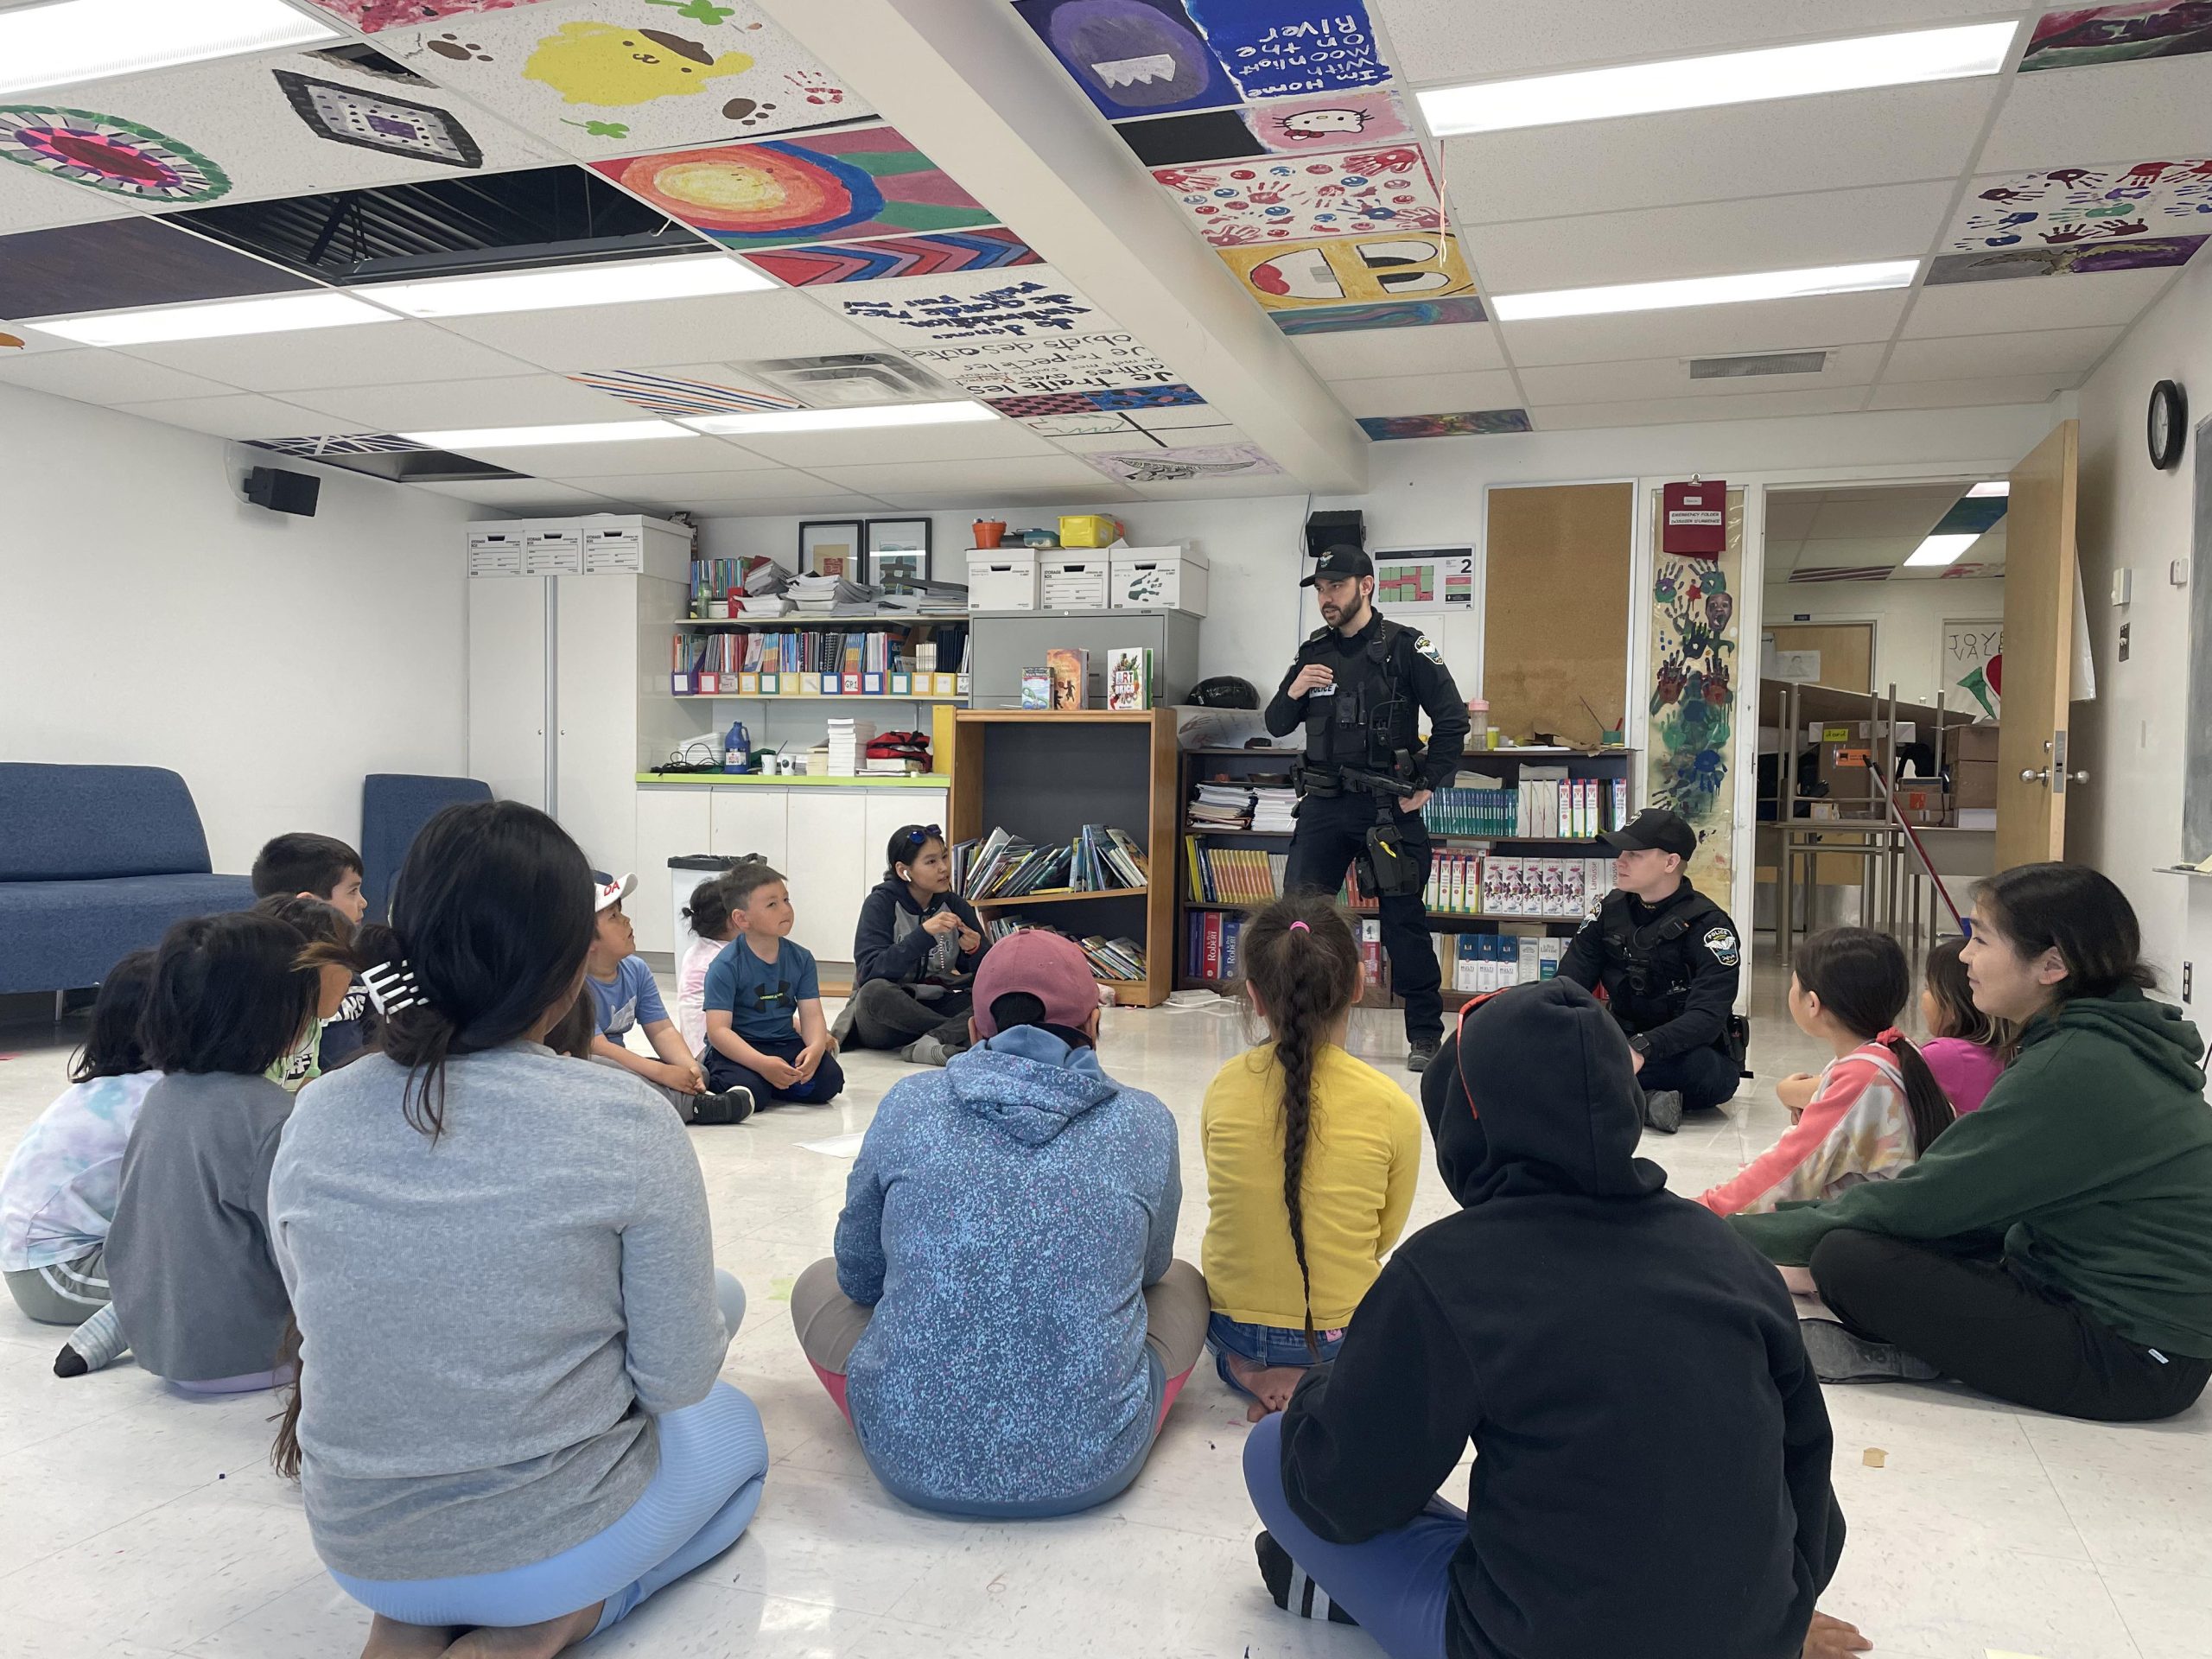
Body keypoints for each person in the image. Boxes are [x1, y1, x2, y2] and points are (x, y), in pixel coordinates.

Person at [268, 800, 766, 1658]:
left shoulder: (315, 1112)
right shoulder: (626, 1118)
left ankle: (412, 1619)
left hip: (359, 1546)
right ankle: (552, 1623)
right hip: (549, 1546)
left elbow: (328, 1310)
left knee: (709, 1302)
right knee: (735, 1431)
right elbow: (675, 1382)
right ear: (575, 966)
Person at [1243, 979, 1851, 1659]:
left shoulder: (1449, 1271)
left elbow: (1342, 1490)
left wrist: (1323, 1388)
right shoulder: (1731, 1256)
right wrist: (1779, 1610)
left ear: (1463, 1122)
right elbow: (1810, 1480)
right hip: (1754, 1634)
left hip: (1534, 1641)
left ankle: (1334, 1594)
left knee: (1274, 1454)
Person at [1731, 863, 2212, 1421]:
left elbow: (1921, 1201)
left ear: (2052, 964)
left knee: (1850, 1256)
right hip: (2083, 1296)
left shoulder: (2075, 1066)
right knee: (1872, 1231)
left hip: (2135, 1360)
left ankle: (1921, 1352)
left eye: (1980, 938)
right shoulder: (2089, 1043)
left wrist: (1719, 1237)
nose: (1963, 956)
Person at [789, 929, 1206, 1516]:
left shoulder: (908, 1104)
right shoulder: (1146, 1120)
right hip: (1092, 1465)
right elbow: (1153, 1269)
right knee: (1185, 1282)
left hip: (908, 1460)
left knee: (816, 1281)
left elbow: (857, 1277)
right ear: (1094, 1026)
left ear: (976, 1030)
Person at [54, 910, 315, 1388]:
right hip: (252, 1354)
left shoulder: (161, 1096)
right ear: (278, 1014)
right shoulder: (275, 1117)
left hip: (160, 1345)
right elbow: (303, 1261)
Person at [1202, 896, 1421, 1421]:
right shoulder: (1391, 1104)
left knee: (1184, 1283)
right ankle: (1320, 1377)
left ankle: (1249, 1370)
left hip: (1238, 1331)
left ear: (1253, 996)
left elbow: (1226, 1196)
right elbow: (1383, 1231)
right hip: (1342, 1335)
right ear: (1358, 984)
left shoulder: (1225, 1085)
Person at [1268, 543, 1469, 1073]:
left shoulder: (1406, 646)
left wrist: (1428, 783)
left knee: (1405, 924)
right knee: (1299, 924)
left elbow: (1452, 722)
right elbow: (1276, 723)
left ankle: (1425, 1034)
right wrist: (1295, 687)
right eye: (1320, 589)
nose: (1326, 598)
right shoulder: (1313, 650)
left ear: (1366, 585)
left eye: (1336, 586)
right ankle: (1296, 1030)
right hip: (1324, 806)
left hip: (1386, 806)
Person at [1699, 927, 1955, 1218]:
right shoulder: (1895, 1050)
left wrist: (1707, 1207)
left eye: (1795, 984)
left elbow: (1790, 1166)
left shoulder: (1862, 1076)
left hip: (1874, 1232)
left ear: (1812, 1003)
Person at [1556, 806, 1742, 1134]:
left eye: (1634, 854)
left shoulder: (1709, 926)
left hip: (1680, 1051)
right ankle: (1646, 1101)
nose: (1620, 861)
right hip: (1618, 1038)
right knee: (1552, 1044)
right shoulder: (1608, 912)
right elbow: (1568, 984)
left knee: (1710, 1075)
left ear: (1671, 862)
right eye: (1621, 852)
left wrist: (1642, 1048)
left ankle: (1607, 1091)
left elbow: (1707, 1018)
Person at [1, 950, 158, 1325]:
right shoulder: (155, 1096)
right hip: (58, 1273)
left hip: (42, 1264)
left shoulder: (114, 1087)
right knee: (212, 1287)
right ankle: (97, 1345)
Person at [586, 874, 752, 1126]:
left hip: (621, 1061)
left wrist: (688, 1068)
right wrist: (662, 1072)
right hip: (588, 1065)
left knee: (698, 1072)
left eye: (621, 912)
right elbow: (598, 1047)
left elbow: (662, 1029)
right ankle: (693, 1108)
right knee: (621, 1078)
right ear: (587, 940)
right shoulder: (574, 983)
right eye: (613, 917)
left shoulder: (636, 969)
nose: (626, 920)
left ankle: (683, 1093)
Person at [834, 823, 988, 1067]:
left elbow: (989, 973)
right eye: (930, 862)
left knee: (992, 998)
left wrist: (975, 950)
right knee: (874, 993)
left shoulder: (955, 905)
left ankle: (931, 1041)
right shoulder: (880, 903)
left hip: (939, 999)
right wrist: (922, 935)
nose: (943, 868)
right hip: (887, 1019)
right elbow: (870, 971)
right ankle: (950, 1034)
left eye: (944, 857)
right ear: (904, 870)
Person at [702, 861, 843, 1109]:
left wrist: (816, 1048)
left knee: (829, 1081)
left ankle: (776, 1081)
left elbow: (811, 1015)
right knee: (752, 1093)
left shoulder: (802, 958)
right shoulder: (725, 965)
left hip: (784, 1042)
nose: (785, 910)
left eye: (786, 900)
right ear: (742, 919)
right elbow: (718, 1032)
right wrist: (761, 1064)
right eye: (772, 904)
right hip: (742, 1047)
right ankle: (765, 1081)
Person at [251, 831, 373, 1070]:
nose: (363, 902)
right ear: (309, 903)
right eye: (352, 891)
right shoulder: (277, 980)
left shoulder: (358, 965)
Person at [253, 894, 359, 1093]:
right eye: (343, 962)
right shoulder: (252, 1037)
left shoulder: (310, 1023)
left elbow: (307, 1083)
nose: (350, 976)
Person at [1919, 934, 2007, 1114]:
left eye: (1928, 988)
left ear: (1953, 1004)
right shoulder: (1998, 1052)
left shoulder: (1946, 1054)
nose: (1923, 997)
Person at [675, 872, 741, 1057]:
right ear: (733, 921)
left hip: (692, 1049)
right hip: (713, 1053)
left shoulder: (695, 951)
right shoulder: (728, 958)